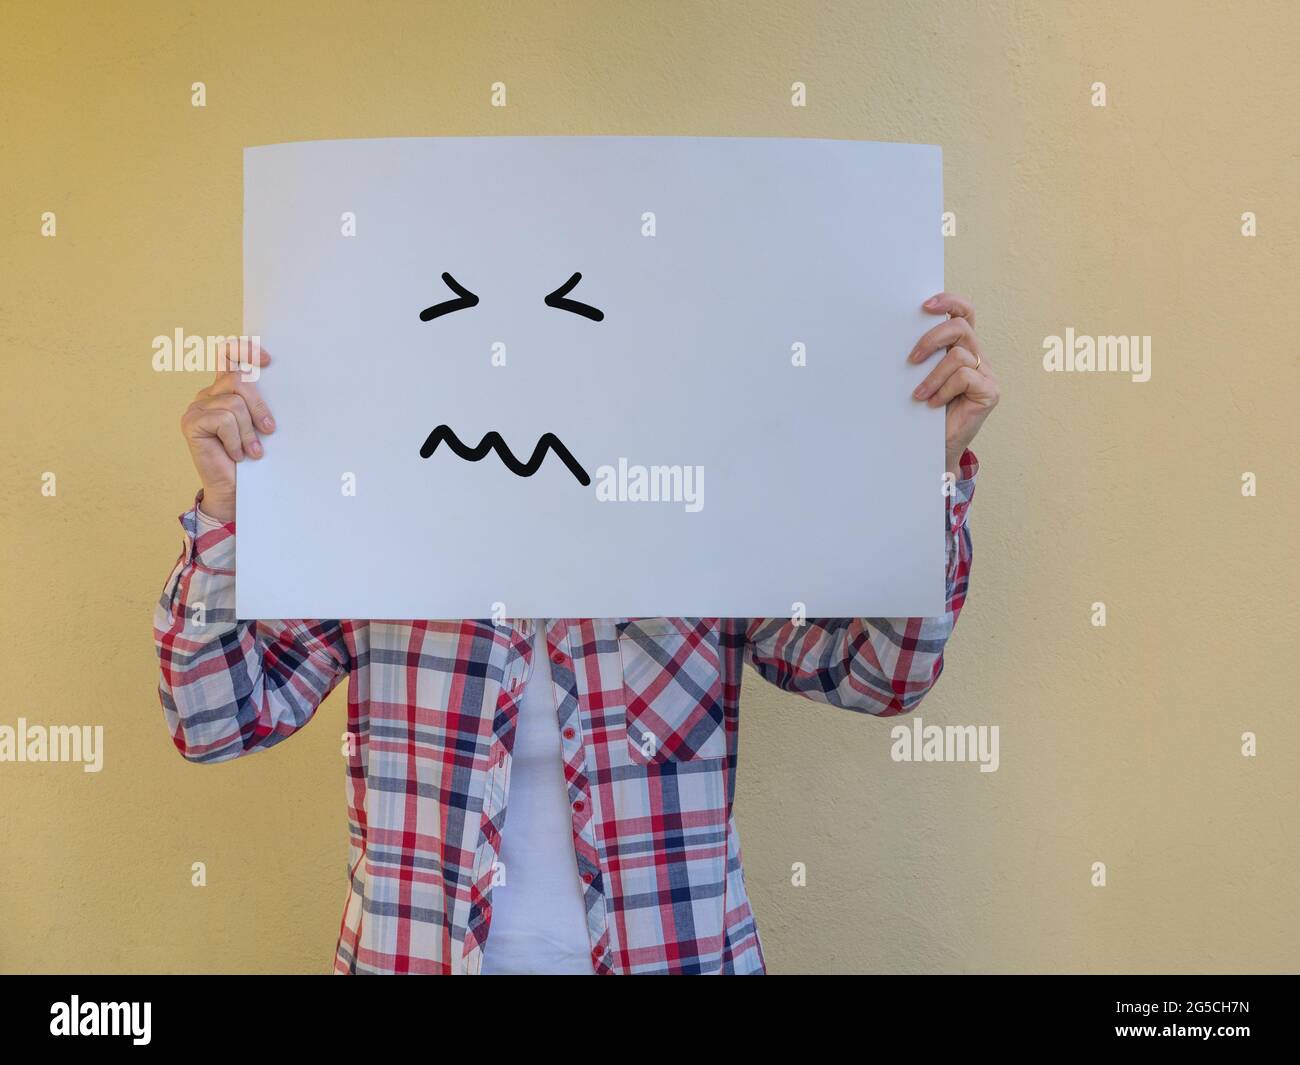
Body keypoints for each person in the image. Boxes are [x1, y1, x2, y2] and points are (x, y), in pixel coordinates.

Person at [153, 292, 999, 974]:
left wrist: (917, 477)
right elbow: (215, 719)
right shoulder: (378, 515)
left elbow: (878, 674)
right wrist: (227, 517)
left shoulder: (707, 509)